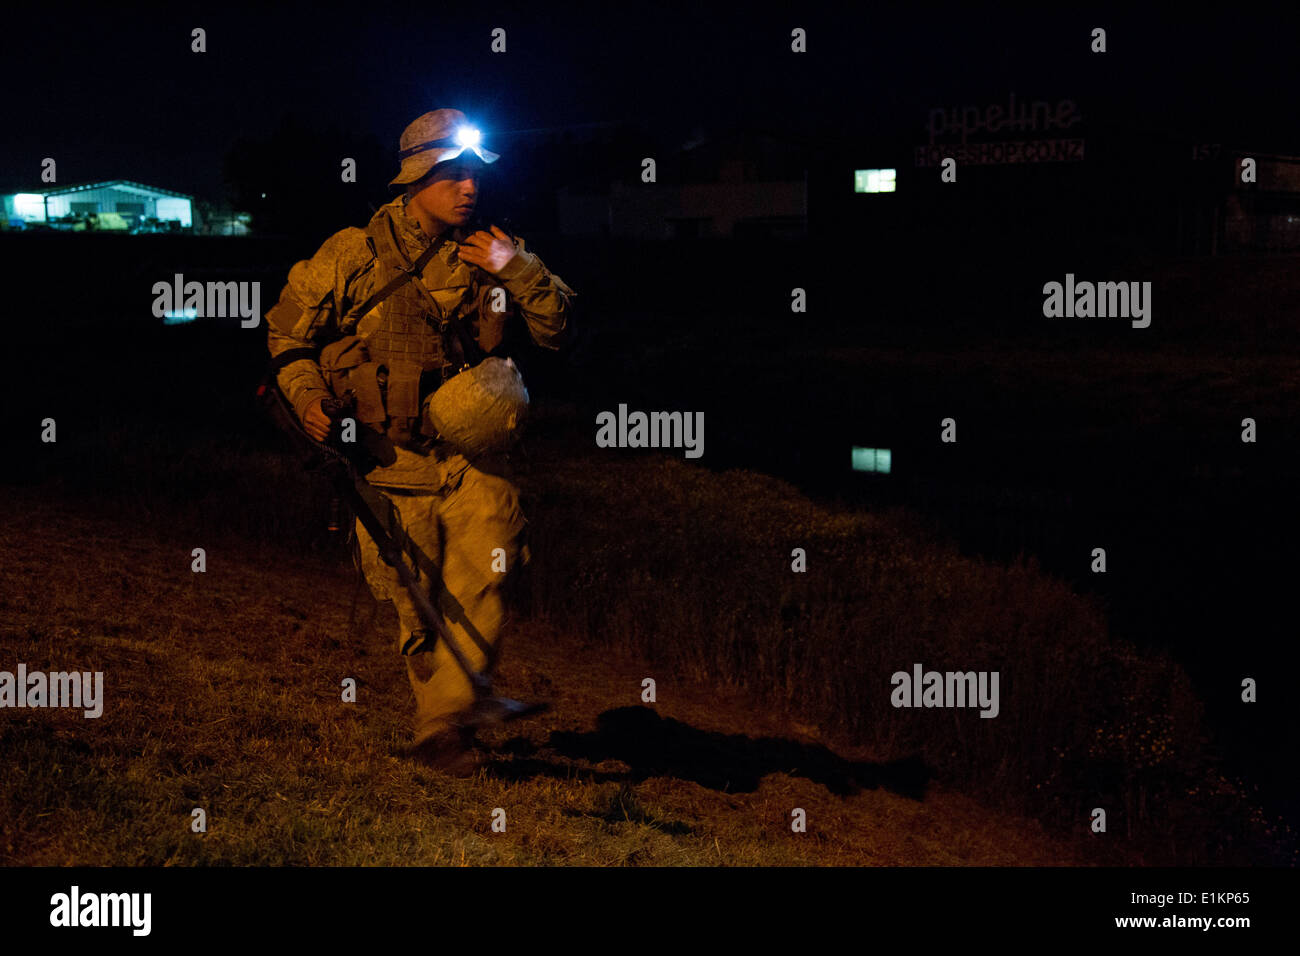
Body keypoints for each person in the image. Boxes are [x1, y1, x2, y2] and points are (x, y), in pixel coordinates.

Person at [264, 108, 575, 771]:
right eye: (452, 176)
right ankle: (452, 711)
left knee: (489, 576)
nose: (469, 189)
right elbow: (289, 341)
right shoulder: (353, 253)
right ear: (415, 179)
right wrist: (310, 399)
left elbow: (558, 332)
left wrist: (516, 270)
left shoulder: (500, 250)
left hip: (475, 458)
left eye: (475, 177)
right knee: (416, 604)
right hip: (388, 457)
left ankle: (445, 729)